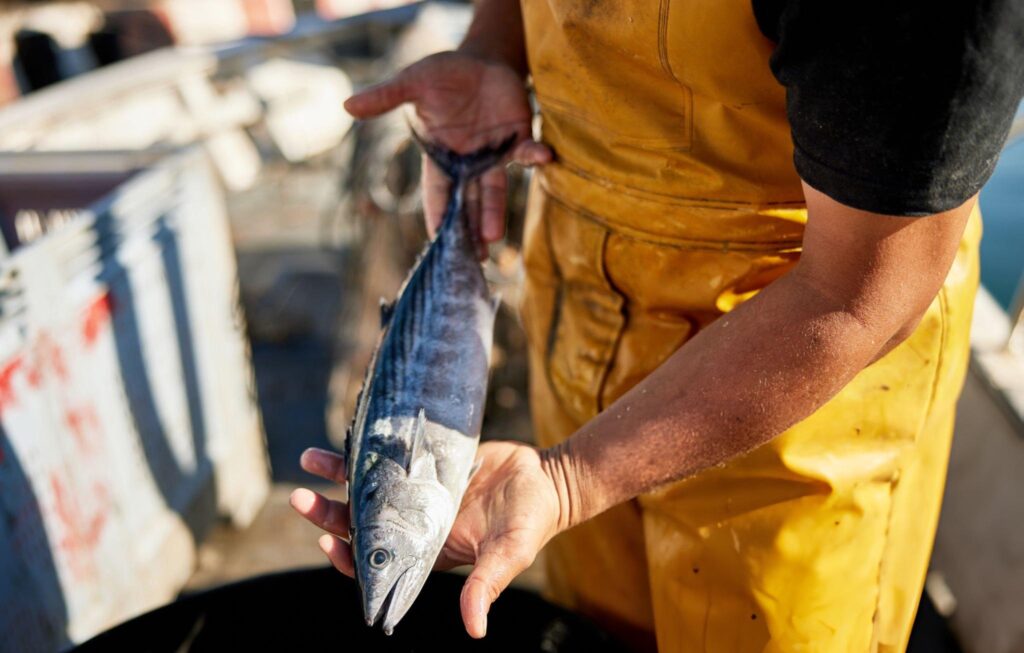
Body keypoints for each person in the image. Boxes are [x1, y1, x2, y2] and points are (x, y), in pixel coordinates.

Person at [291, 0, 1024, 650]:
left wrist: (573, 478)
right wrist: (494, 44)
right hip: (577, 321)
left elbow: (863, 293)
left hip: (797, 393)